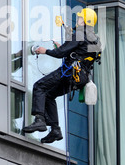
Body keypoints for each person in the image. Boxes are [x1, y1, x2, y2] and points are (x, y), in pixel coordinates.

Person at [23, 8, 101, 144]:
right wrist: (63, 47)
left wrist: (44, 51)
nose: (78, 20)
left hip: (70, 72)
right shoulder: (95, 40)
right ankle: (55, 130)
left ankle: (39, 119)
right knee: (49, 95)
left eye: (80, 18)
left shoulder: (80, 34)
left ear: (85, 21)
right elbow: (80, 53)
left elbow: (60, 53)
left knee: (39, 86)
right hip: (80, 78)